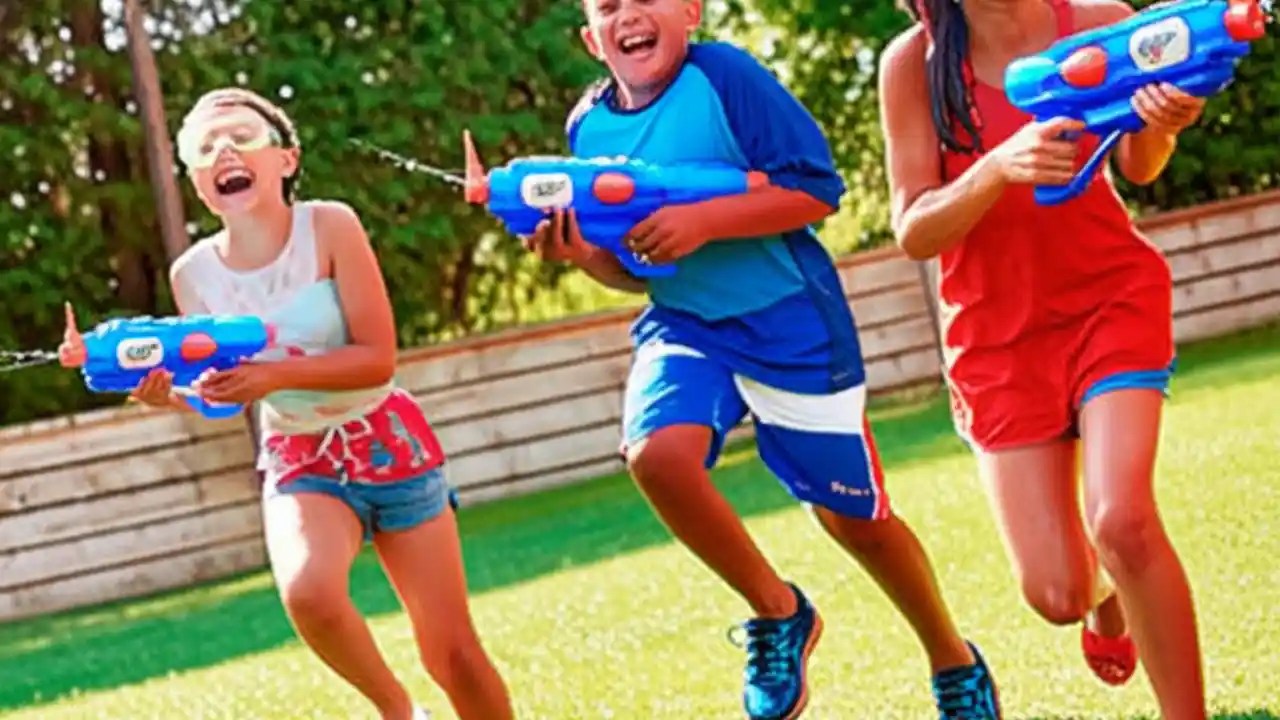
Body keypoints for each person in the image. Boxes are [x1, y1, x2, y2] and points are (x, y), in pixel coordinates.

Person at [524, 2, 1002, 718]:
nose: (629, 15)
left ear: (691, 10)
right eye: (608, 6)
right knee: (656, 455)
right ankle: (778, 612)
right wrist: (584, 255)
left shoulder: (726, 76)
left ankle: (951, 660)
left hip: (793, 329)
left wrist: (703, 221)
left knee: (856, 523)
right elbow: (636, 268)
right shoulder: (586, 129)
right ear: (592, 40)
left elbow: (816, 190)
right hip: (687, 326)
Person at [59, 88, 513, 720]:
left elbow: (378, 357)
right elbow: (224, 396)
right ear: (194, 179)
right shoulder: (192, 275)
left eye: (241, 137)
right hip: (300, 454)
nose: (224, 153)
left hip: (388, 441)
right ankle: (400, 713)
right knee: (310, 595)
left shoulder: (330, 226)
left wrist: (267, 377)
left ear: (287, 159)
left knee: (453, 655)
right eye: (204, 147)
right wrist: (171, 398)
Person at [877, 0, 1208, 717]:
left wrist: (1160, 124)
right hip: (997, 340)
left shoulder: (1099, 19)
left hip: (1107, 297)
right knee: (1056, 595)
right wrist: (996, 168)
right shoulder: (914, 63)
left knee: (1121, 519)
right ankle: (1105, 595)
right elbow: (914, 229)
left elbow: (1138, 166)